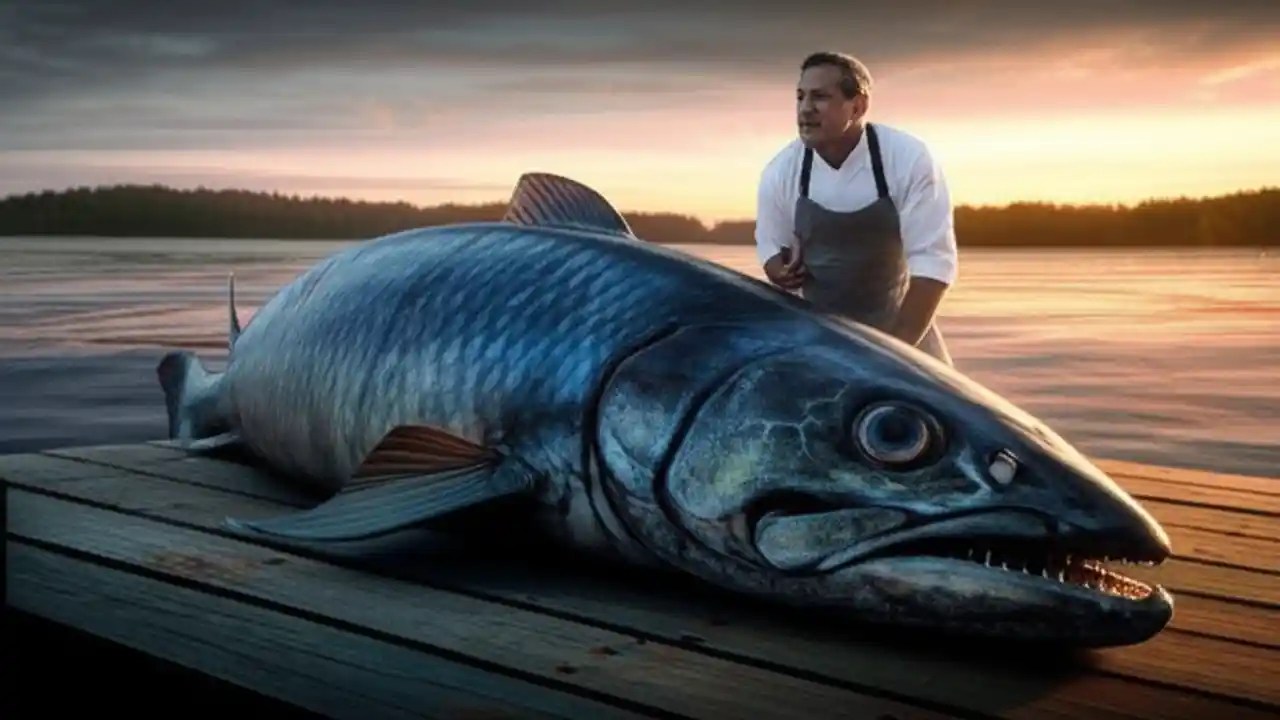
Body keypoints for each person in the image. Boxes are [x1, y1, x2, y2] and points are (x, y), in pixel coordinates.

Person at [755, 51, 958, 365]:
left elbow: (933, 263)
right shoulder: (782, 170)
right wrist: (779, 270)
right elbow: (770, 243)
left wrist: (894, 355)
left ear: (859, 105)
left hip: (907, 338)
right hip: (823, 345)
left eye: (820, 97)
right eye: (800, 96)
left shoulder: (908, 158)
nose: (805, 108)